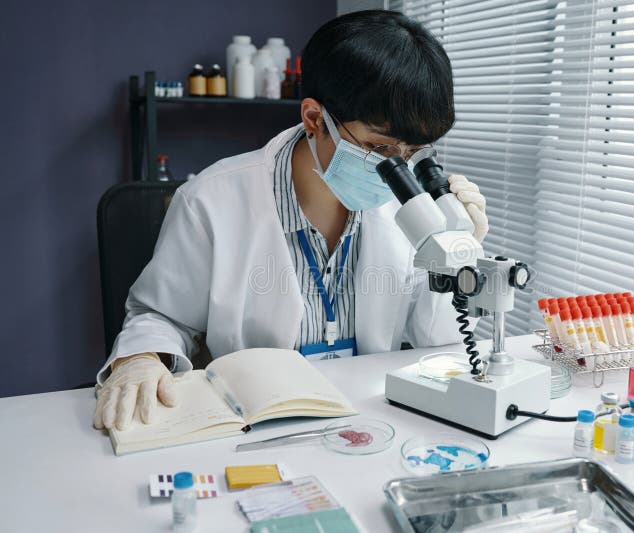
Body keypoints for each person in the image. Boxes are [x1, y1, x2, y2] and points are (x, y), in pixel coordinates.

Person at [94, 10, 488, 431]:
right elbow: (162, 316)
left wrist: (457, 254)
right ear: (315, 119)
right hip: (256, 427)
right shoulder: (211, 199)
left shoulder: (411, 209)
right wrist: (140, 357)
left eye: (413, 152)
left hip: (370, 421)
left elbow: (440, 341)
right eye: (381, 148)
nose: (400, 170)